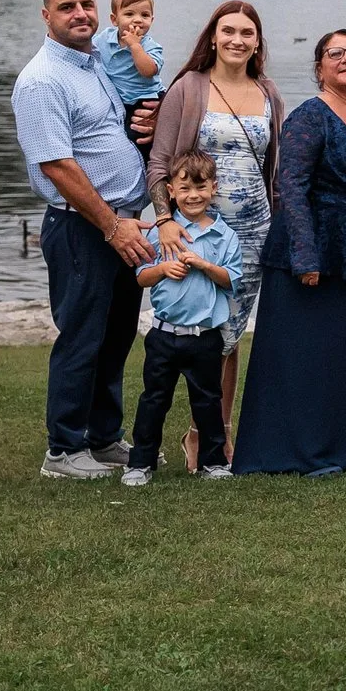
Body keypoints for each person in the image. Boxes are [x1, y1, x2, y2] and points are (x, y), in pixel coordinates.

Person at [235, 30, 346, 475]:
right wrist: (305, 255)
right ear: (319, 68)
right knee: (304, 357)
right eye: (336, 53)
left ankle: (343, 447)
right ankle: (298, 452)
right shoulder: (309, 117)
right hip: (314, 252)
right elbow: (289, 187)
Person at [13, 0, 157, 482]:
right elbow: (56, 164)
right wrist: (113, 228)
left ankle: (103, 436)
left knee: (116, 335)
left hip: (124, 222)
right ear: (46, 16)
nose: (81, 14)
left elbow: (104, 131)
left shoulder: (95, 62)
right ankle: (63, 449)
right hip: (83, 227)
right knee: (82, 336)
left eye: (87, 4)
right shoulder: (41, 79)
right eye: (67, 6)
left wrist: (144, 123)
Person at [146, 0, 283, 471]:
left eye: (247, 32)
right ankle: (201, 433)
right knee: (205, 331)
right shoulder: (188, 88)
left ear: (257, 41)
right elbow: (160, 163)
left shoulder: (268, 92)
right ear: (212, 36)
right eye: (228, 30)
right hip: (200, 234)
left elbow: (275, 170)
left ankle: (217, 430)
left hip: (255, 235)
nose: (237, 40)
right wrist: (165, 221)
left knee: (230, 334)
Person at [123, 152, 239, 486]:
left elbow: (231, 279)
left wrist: (203, 265)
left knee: (208, 401)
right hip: (164, 335)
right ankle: (141, 462)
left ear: (213, 188)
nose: (193, 195)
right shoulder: (163, 233)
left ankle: (213, 461)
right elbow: (142, 277)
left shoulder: (224, 235)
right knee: (153, 400)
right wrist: (162, 269)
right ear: (170, 191)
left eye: (201, 187)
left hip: (204, 336)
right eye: (184, 187)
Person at [94, 0, 167, 151]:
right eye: (129, 14)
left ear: (152, 20)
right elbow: (87, 50)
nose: (138, 20)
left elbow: (148, 72)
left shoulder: (150, 46)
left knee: (138, 138)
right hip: (118, 101)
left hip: (144, 100)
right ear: (114, 19)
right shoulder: (104, 39)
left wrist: (135, 47)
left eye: (145, 15)